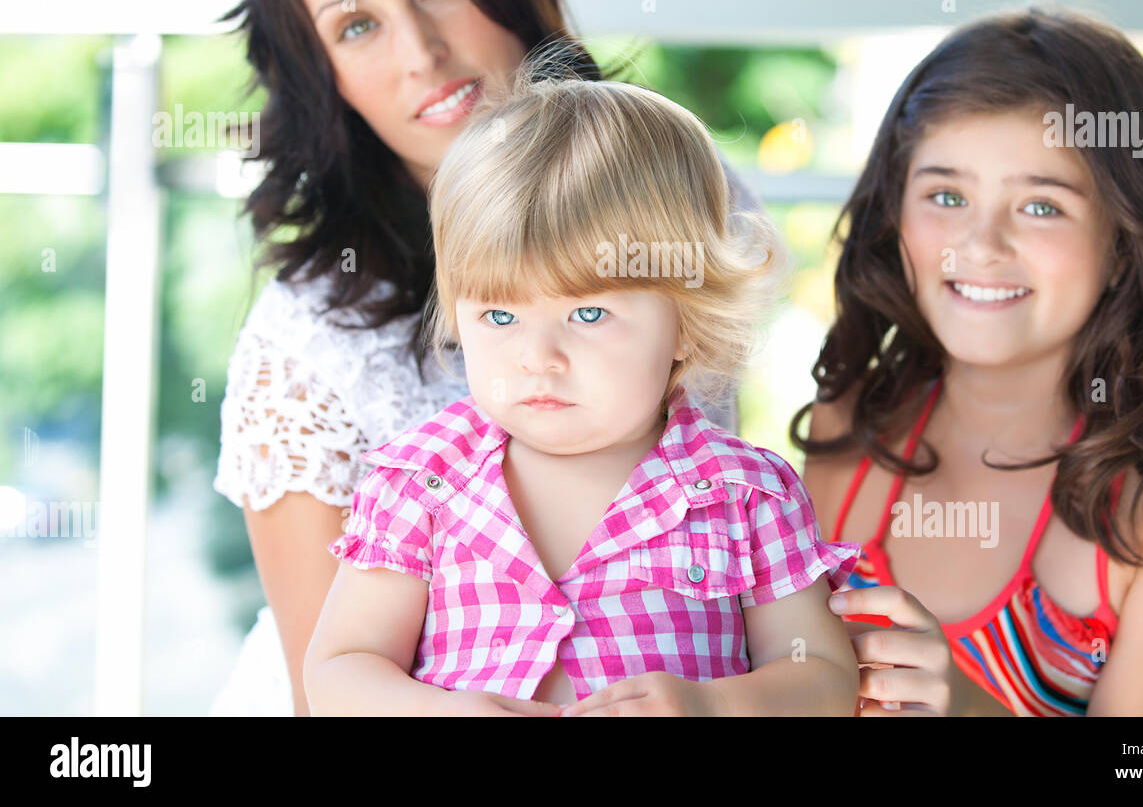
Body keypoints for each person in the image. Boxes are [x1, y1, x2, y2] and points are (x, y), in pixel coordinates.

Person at [210, 0, 763, 716]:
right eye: (356, 27)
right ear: (322, 76)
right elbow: (328, 688)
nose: (422, 53)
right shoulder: (305, 344)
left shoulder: (694, 200)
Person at [303, 71, 862, 716]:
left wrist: (712, 707)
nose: (538, 359)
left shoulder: (746, 497)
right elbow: (339, 671)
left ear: (686, 318)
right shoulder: (421, 482)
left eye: (588, 315)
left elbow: (822, 677)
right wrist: (448, 712)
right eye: (501, 317)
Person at [795, 8, 1143, 716]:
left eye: (1042, 207)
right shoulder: (853, 427)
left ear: (1127, 242)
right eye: (947, 196)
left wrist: (968, 707)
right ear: (893, 215)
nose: (982, 244)